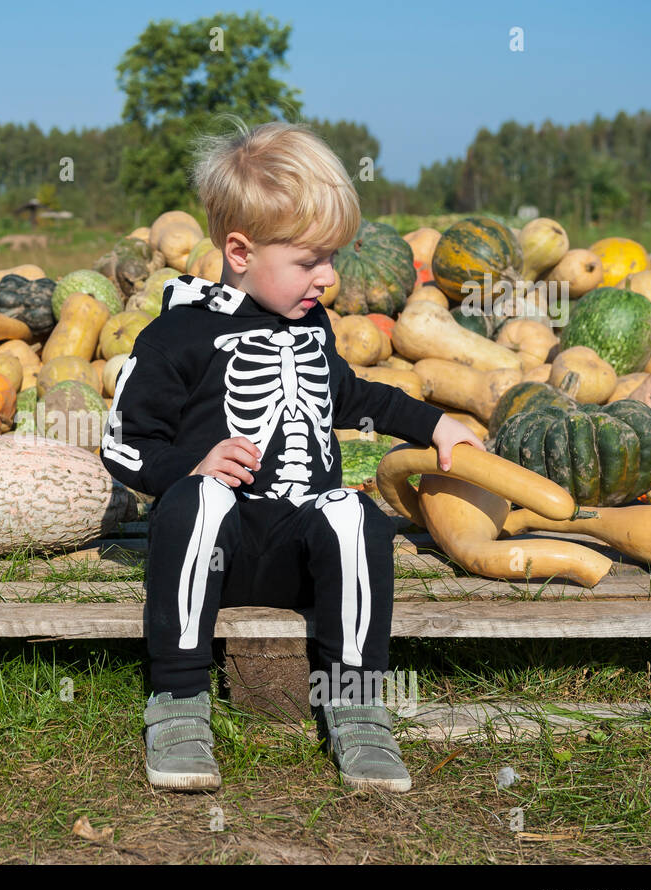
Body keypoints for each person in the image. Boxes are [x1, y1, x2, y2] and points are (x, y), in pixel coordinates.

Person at [100, 117, 485, 794]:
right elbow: (124, 440)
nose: (328, 278)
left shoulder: (312, 325)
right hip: (217, 552)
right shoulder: (178, 332)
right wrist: (188, 468)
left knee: (355, 513)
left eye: (331, 258)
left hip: (300, 554)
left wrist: (434, 423)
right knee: (196, 500)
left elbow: (348, 394)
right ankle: (179, 700)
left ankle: (357, 707)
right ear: (240, 251)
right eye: (310, 262)